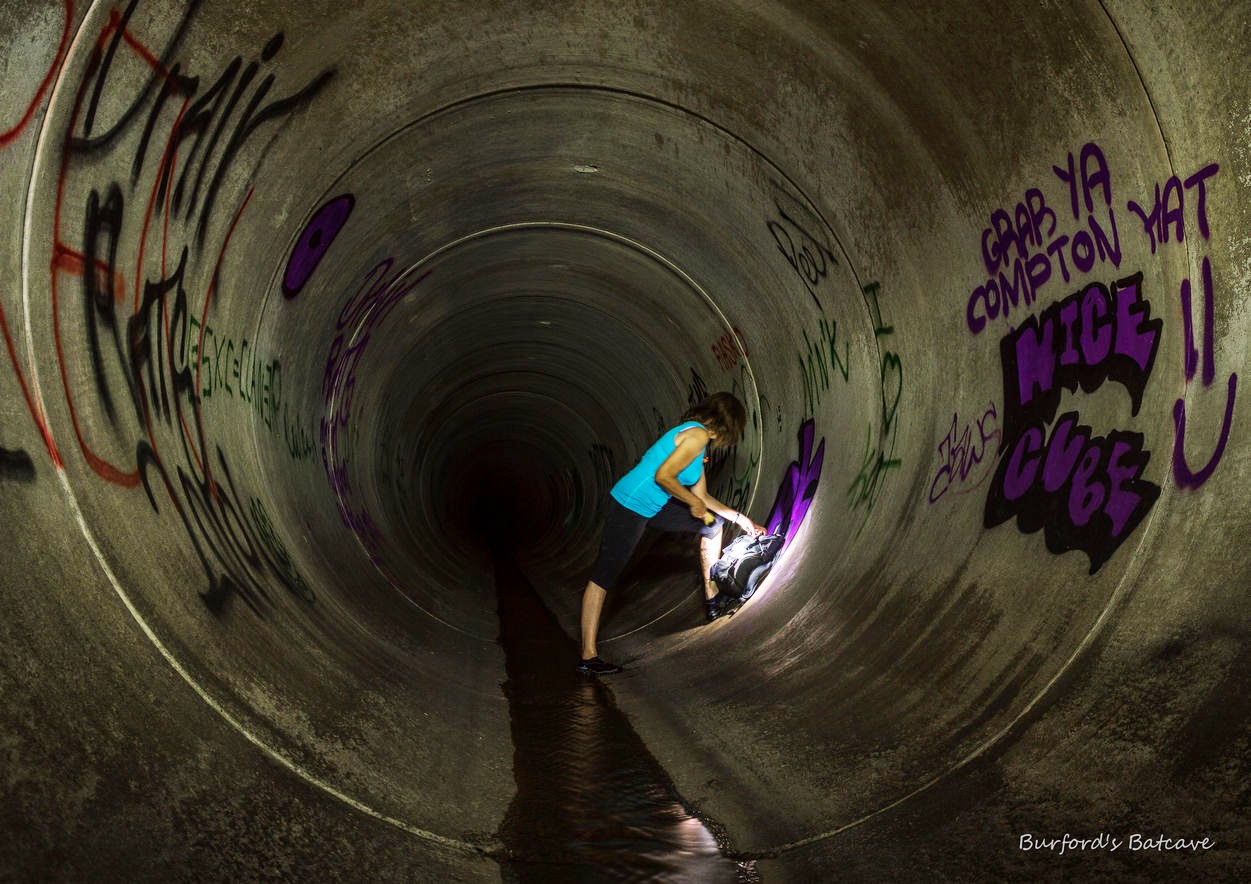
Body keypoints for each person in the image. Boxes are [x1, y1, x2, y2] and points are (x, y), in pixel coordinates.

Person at [577, 392, 766, 675]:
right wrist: (692, 503)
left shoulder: (701, 446)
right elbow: (663, 476)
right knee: (604, 576)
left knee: (712, 525)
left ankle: (712, 599)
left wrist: (741, 519)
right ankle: (588, 656)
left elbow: (702, 496)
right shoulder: (696, 437)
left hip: (654, 506)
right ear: (727, 426)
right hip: (631, 504)